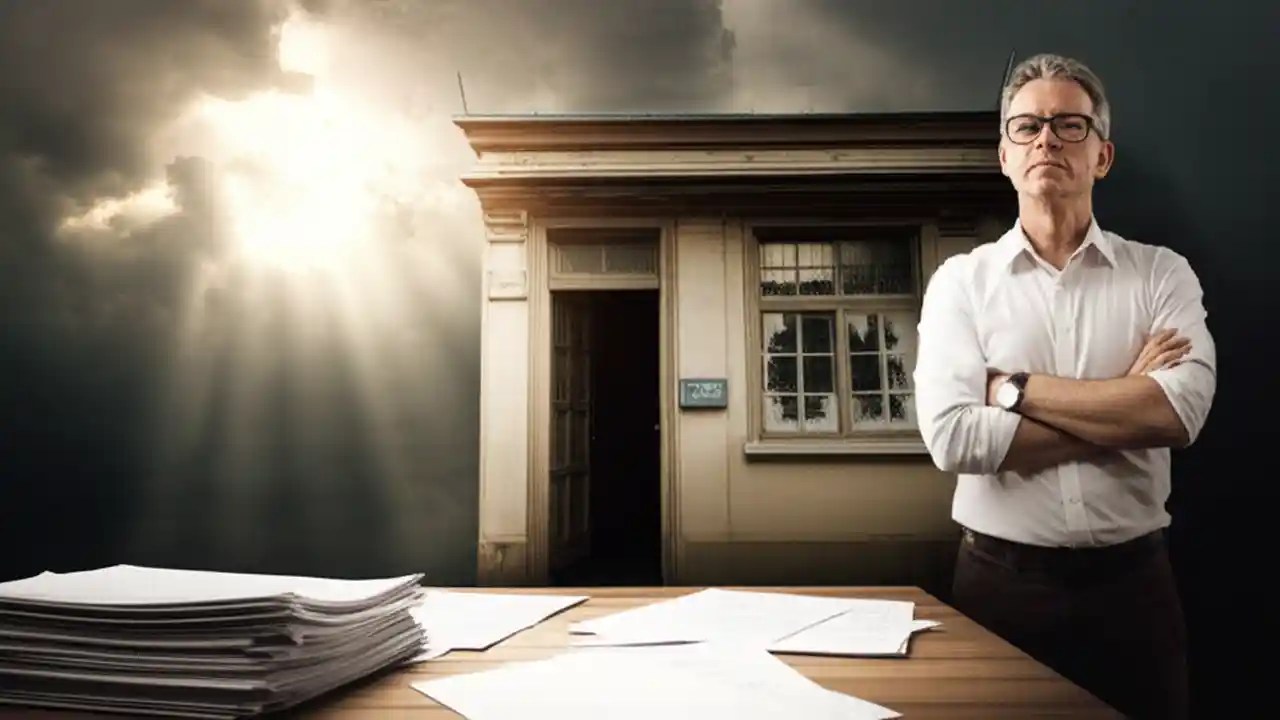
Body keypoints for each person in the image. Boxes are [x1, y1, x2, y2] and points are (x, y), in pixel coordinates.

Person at [913, 53, 1216, 720]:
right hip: (999, 587)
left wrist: (1014, 390)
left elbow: (1179, 413)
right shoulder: (961, 283)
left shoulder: (1160, 275)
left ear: (1102, 155)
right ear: (1004, 154)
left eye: (1068, 125)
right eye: (1026, 126)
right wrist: (1120, 402)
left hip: (1134, 589)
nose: (1046, 139)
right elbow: (954, 438)